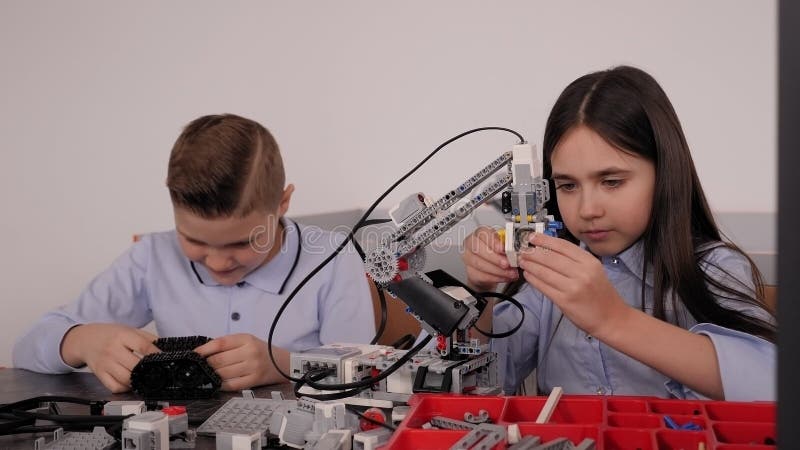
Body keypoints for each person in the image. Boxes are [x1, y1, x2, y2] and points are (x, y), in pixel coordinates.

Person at [462, 66, 776, 401]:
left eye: (612, 182)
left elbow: (769, 383)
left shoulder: (715, 267)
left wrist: (613, 320)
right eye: (567, 185)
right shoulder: (548, 276)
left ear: (665, 173)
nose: (587, 209)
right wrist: (481, 295)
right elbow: (483, 384)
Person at [13, 114, 375, 393]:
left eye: (242, 243)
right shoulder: (151, 257)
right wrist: (82, 340)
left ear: (282, 203)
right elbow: (27, 348)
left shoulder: (334, 258)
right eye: (195, 241)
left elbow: (368, 373)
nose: (218, 263)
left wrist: (283, 364)